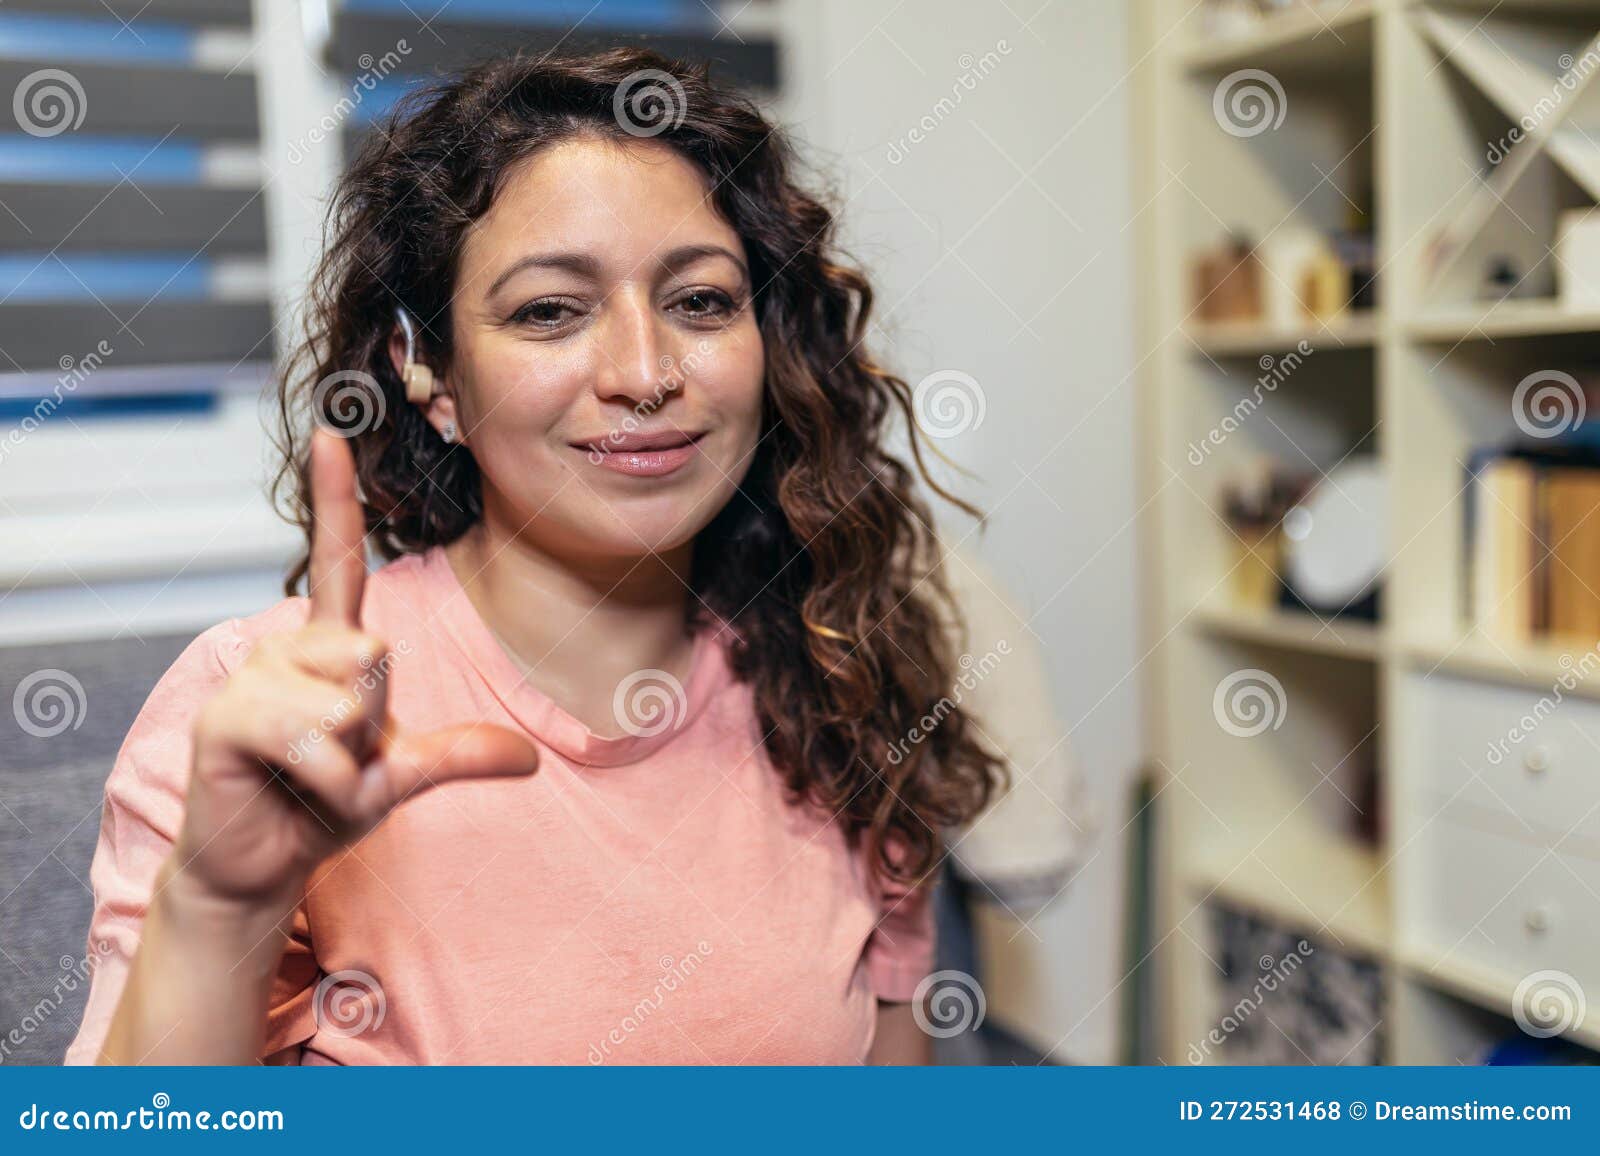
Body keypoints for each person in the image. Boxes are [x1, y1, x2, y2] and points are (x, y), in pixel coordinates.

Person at [63, 47, 1004, 1066]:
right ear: (430, 377)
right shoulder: (256, 713)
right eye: (550, 310)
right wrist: (217, 908)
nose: (644, 374)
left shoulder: (843, 673)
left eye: (700, 302)